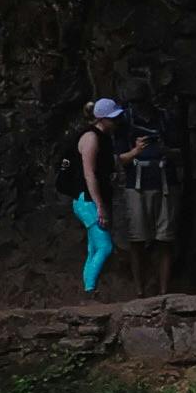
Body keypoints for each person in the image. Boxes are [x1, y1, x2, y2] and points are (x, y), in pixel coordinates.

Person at [73, 98, 127, 297]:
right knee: (105, 247)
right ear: (102, 119)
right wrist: (99, 206)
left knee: (94, 247)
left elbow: (109, 164)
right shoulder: (90, 138)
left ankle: (89, 288)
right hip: (86, 200)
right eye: (112, 119)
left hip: (92, 199)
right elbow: (90, 174)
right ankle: (89, 291)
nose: (116, 122)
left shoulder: (104, 138)